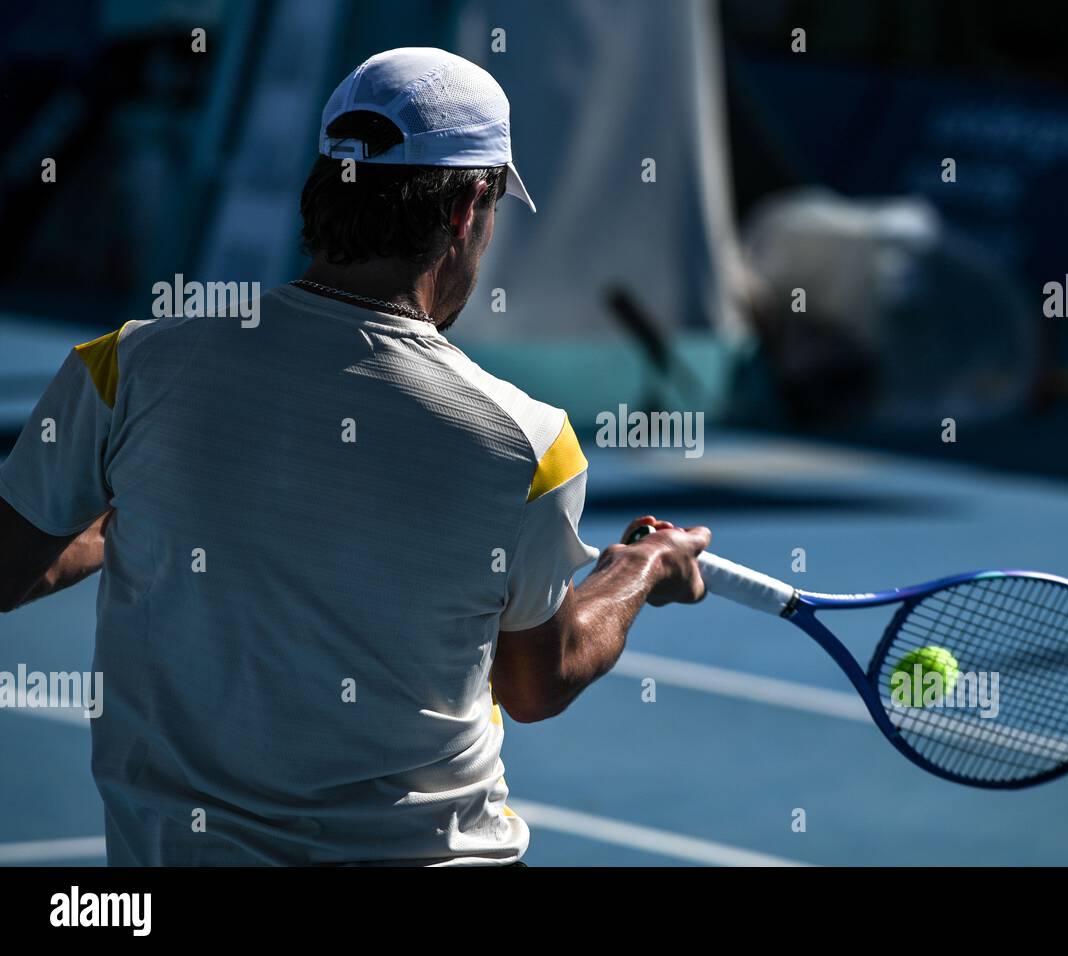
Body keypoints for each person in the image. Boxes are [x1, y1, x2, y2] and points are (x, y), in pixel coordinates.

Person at [0, 47, 710, 866]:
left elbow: (11, 563)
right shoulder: (529, 442)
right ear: (467, 206)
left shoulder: (125, 368)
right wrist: (644, 567)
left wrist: (150, 504)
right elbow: (536, 682)